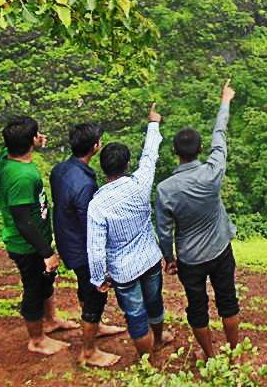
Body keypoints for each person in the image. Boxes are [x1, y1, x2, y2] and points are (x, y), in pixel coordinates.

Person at [156, 79, 240, 358]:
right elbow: (220, 136)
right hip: (219, 247)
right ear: (199, 149)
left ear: (174, 152)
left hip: (190, 258)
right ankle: (233, 351)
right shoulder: (212, 172)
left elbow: (164, 231)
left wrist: (169, 258)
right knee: (228, 301)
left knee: (197, 307)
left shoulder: (166, 189)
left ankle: (210, 355)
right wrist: (225, 101)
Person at [87, 102, 169, 357]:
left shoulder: (97, 204)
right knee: (155, 302)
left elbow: (95, 247)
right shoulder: (140, 185)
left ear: (104, 169)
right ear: (126, 164)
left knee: (136, 315)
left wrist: (99, 277)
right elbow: (149, 156)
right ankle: (158, 339)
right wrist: (153, 122)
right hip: (150, 259)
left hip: (123, 271)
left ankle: (147, 363)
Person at [0, 116, 78, 356]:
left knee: (45, 282)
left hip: (35, 239)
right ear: (32, 140)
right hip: (27, 245)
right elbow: (23, 220)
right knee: (33, 289)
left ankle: (50, 320)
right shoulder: (22, 177)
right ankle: (37, 339)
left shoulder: (5, 158)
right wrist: (47, 252)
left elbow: (12, 144)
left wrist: (34, 141)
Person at [49, 123, 126, 367]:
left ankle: (96, 327)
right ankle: (89, 351)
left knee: (85, 287)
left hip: (66, 240)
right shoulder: (85, 185)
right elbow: (90, 226)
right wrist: (102, 261)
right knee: (95, 295)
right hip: (82, 247)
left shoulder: (60, 170)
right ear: (95, 146)